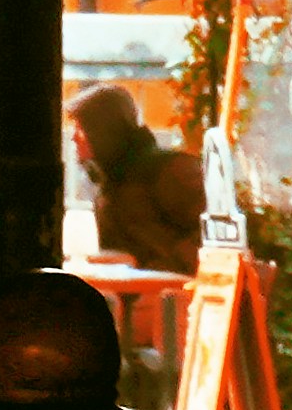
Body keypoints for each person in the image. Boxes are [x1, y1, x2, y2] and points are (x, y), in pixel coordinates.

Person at [70, 84, 203, 276]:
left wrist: (156, 272)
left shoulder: (169, 170)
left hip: (175, 297)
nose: (74, 138)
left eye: (80, 128)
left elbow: (210, 241)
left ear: (102, 131)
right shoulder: (108, 182)